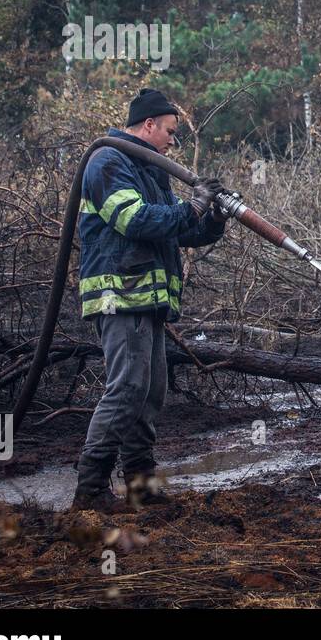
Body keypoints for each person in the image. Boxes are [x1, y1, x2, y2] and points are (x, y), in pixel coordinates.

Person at [70, 88, 227, 512]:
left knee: (149, 393)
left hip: (145, 299)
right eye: (171, 133)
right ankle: (89, 491)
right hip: (118, 296)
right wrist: (192, 206)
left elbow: (178, 228)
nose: (173, 143)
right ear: (149, 125)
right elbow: (133, 220)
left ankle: (141, 488)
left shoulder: (148, 169)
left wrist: (211, 216)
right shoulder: (107, 161)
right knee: (127, 390)